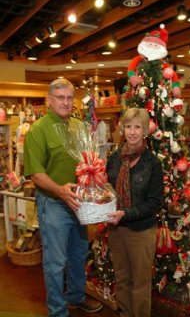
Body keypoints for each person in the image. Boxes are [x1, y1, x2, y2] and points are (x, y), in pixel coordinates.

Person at [24, 78, 103, 317]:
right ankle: (57, 311)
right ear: (50, 100)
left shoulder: (79, 127)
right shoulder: (37, 131)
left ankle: (76, 297)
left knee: (79, 255)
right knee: (56, 263)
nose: (65, 102)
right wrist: (60, 191)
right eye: (60, 97)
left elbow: (88, 160)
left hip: (79, 204)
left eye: (69, 98)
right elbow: (36, 174)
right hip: (54, 205)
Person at [106, 108, 164, 317]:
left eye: (137, 127)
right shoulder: (114, 159)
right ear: (122, 128)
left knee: (140, 282)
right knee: (121, 278)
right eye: (128, 126)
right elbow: (106, 190)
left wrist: (126, 214)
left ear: (145, 131)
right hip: (116, 229)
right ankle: (125, 313)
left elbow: (154, 202)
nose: (132, 132)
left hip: (141, 231)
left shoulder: (153, 164)